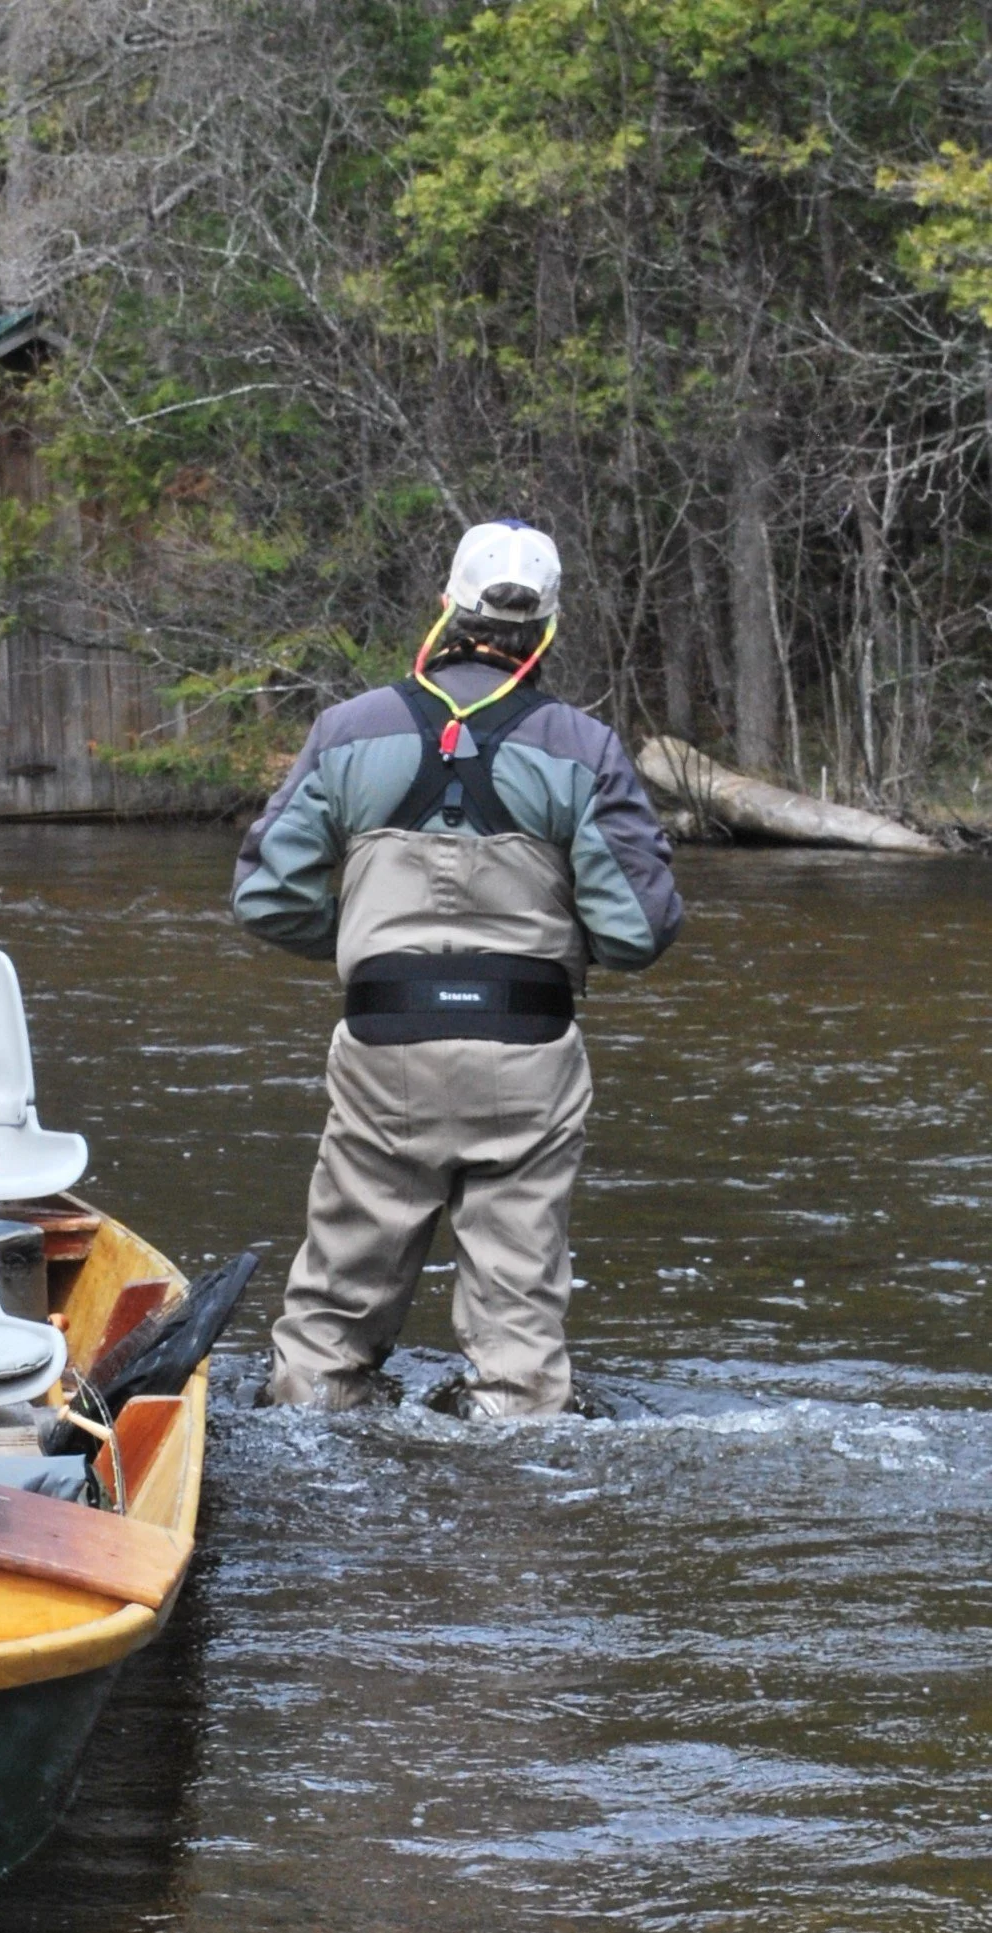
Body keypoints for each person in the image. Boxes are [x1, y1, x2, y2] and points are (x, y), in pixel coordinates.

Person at [231, 520, 683, 1416]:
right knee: (520, 1336)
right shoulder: (583, 748)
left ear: (448, 606)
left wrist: (365, 938)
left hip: (383, 1043)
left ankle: (315, 1419)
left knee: (329, 1320)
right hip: (528, 1051)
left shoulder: (345, 730)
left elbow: (265, 897)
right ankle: (513, 1437)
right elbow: (636, 929)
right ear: (546, 626)